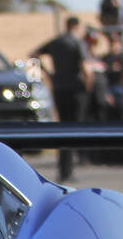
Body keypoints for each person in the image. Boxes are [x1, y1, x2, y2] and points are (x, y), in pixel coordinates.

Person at [31, 16, 93, 181]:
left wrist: (47, 74)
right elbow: (86, 68)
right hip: (75, 89)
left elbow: (33, 54)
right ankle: (72, 166)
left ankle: (64, 169)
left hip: (60, 87)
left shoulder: (56, 42)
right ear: (76, 26)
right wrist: (88, 86)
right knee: (75, 128)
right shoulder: (77, 43)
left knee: (63, 128)